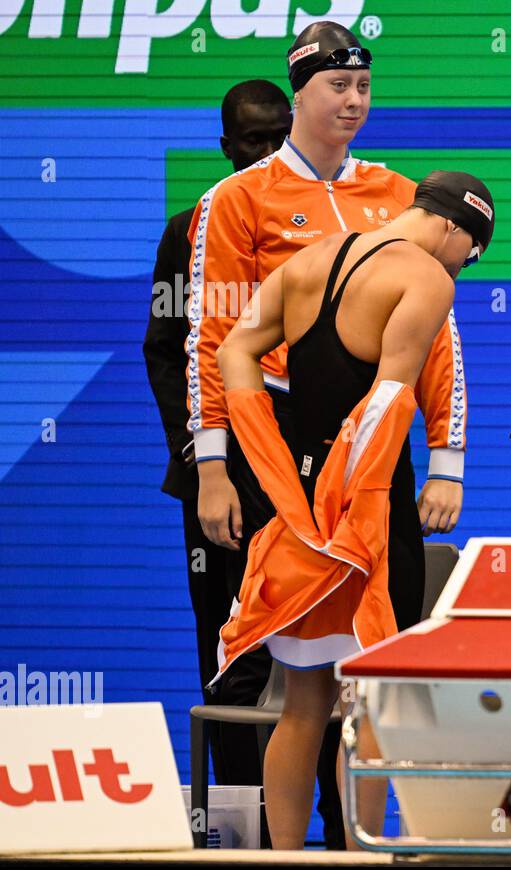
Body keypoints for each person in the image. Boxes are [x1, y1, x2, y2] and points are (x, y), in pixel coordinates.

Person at [185, 22, 468, 843]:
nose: (354, 102)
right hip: (278, 448)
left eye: (365, 87)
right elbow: (215, 335)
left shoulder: (398, 192)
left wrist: (445, 461)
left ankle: (358, 850)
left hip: (378, 459)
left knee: (375, 671)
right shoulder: (237, 200)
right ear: (298, 92)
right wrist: (214, 466)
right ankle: (258, 846)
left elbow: (438, 348)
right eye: (338, 87)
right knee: (284, 675)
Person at [214, 171, 493, 849]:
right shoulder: (426, 280)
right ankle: (361, 858)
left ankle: (283, 863)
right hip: (365, 503)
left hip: (296, 502)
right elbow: (387, 403)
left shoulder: (309, 260)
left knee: (303, 703)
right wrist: (353, 506)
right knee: (373, 696)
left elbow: (233, 352)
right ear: (454, 228)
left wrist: (273, 462)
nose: (464, 265)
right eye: (471, 252)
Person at [144, 79, 290, 792]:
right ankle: (238, 822)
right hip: (222, 478)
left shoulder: (329, 223)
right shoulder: (189, 229)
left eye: (277, 136)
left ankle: (332, 838)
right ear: (226, 146)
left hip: (311, 473)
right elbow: (167, 351)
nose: (265, 153)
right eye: (251, 141)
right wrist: (204, 460)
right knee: (229, 651)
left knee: (322, 651)